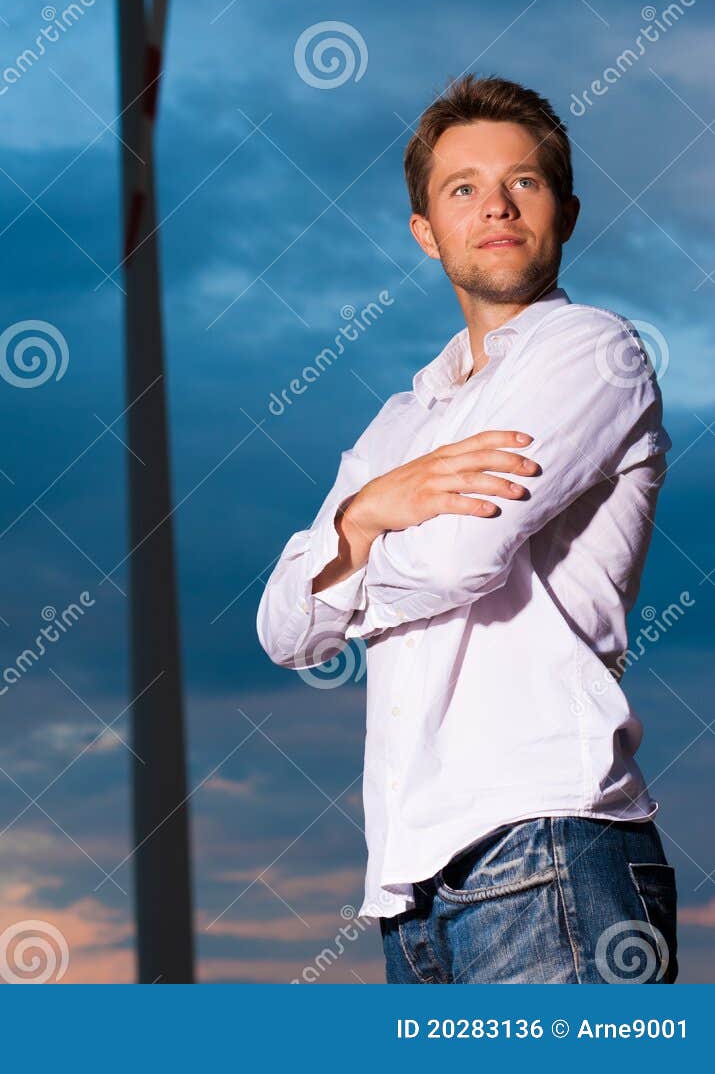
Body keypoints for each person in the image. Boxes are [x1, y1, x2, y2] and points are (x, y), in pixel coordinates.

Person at [257, 73, 676, 984]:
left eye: (520, 183)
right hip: (411, 884)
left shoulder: (590, 350)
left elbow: (457, 559)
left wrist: (357, 543)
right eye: (462, 189)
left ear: (563, 210)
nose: (494, 205)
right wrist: (371, 509)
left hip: (548, 844)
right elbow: (284, 630)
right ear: (425, 232)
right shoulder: (403, 419)